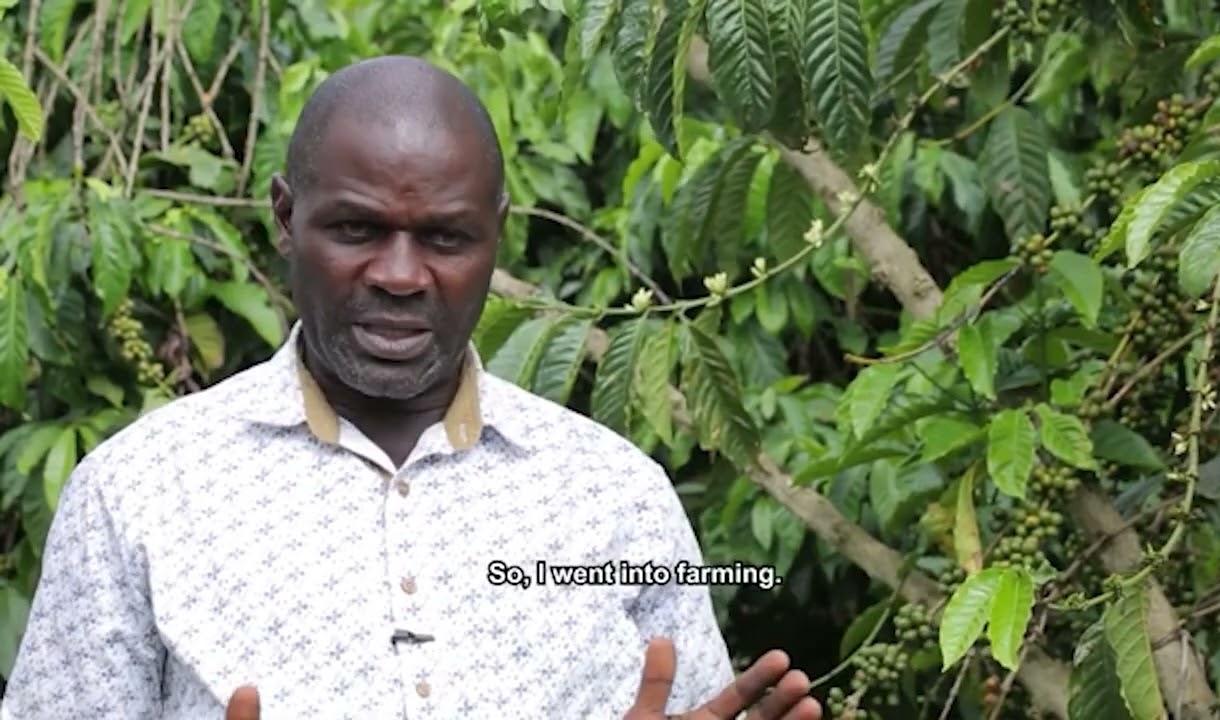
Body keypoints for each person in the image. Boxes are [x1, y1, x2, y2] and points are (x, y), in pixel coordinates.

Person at [0, 56, 821, 719]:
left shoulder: (616, 496)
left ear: (497, 233)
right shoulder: (136, 492)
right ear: (287, 218)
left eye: (445, 238)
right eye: (356, 229)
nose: (399, 275)